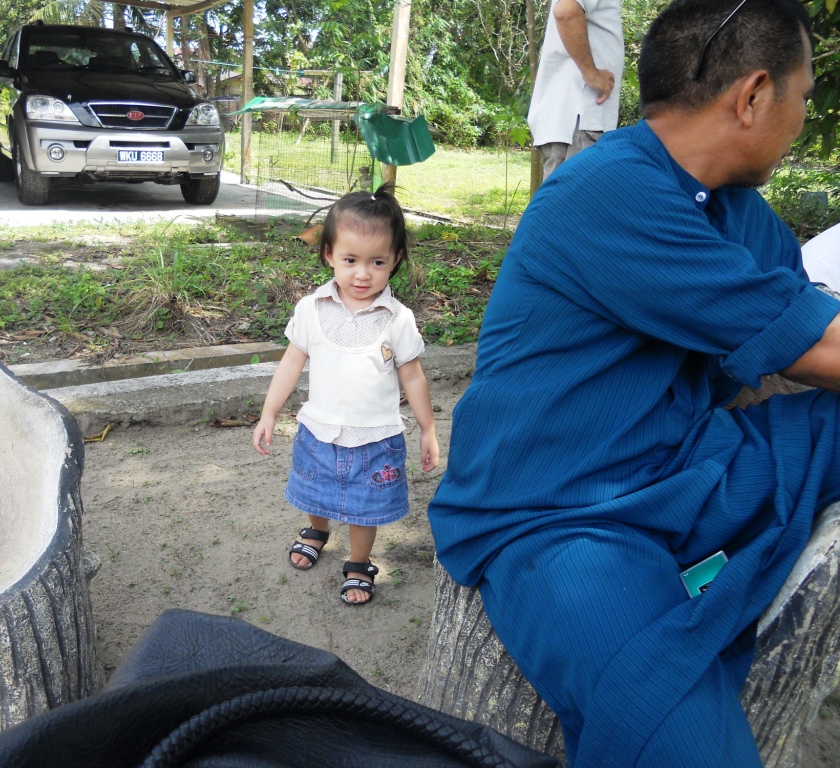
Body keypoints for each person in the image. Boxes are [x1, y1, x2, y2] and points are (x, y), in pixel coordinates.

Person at [428, 0, 834, 765]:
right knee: (687, 745)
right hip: (561, 517)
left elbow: (815, 319)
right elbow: (822, 348)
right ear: (752, 96)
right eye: (804, 97)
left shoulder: (741, 215)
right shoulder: (606, 190)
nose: (803, 119)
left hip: (690, 462)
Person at [253, 183, 440, 606]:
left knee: (365, 505)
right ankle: (316, 531)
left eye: (377, 262)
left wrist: (428, 429)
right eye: (350, 260)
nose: (362, 274)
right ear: (329, 256)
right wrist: (269, 413)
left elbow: (413, 377)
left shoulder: (398, 318)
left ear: (394, 261)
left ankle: (359, 563)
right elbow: (290, 363)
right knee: (313, 490)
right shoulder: (311, 309)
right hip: (318, 430)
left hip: (376, 438)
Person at [527, 0, 624, 181]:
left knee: (564, 205)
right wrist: (592, 75)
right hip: (579, 121)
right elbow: (566, 11)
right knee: (573, 206)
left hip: (577, 121)